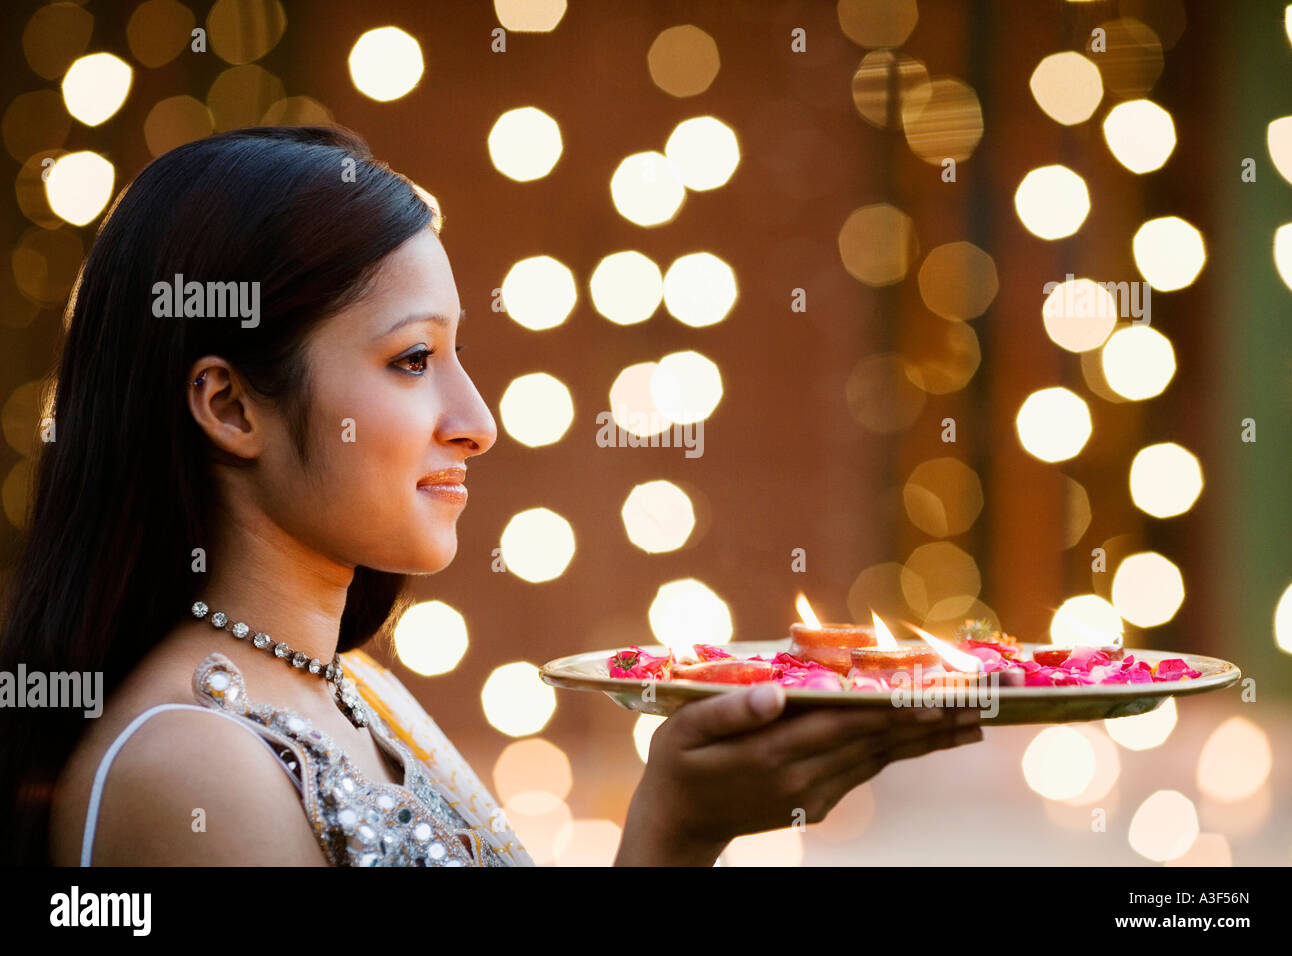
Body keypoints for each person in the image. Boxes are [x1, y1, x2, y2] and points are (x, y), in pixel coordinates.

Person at [0, 126, 982, 868]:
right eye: (413, 357)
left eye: (456, 354)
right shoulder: (186, 766)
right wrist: (673, 831)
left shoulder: (362, 693)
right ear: (228, 403)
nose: (476, 419)